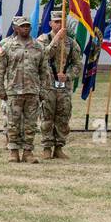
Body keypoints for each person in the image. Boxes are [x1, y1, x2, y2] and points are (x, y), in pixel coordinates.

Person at [0, 14, 50, 163]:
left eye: (27, 26)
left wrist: (43, 91)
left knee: (31, 124)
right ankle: (13, 151)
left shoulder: (39, 47)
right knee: (13, 123)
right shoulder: (6, 46)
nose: (25, 28)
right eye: (22, 26)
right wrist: (1, 90)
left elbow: (44, 71)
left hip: (32, 92)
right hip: (13, 92)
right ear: (15, 28)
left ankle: (28, 152)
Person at [37, 11, 83, 160]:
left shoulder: (71, 43)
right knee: (47, 116)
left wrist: (68, 75)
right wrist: (56, 39)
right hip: (47, 85)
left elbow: (77, 64)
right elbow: (42, 56)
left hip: (63, 86)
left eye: (61, 22)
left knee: (63, 116)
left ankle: (59, 147)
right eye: (56, 22)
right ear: (50, 23)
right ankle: (46, 147)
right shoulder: (43, 39)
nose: (59, 25)